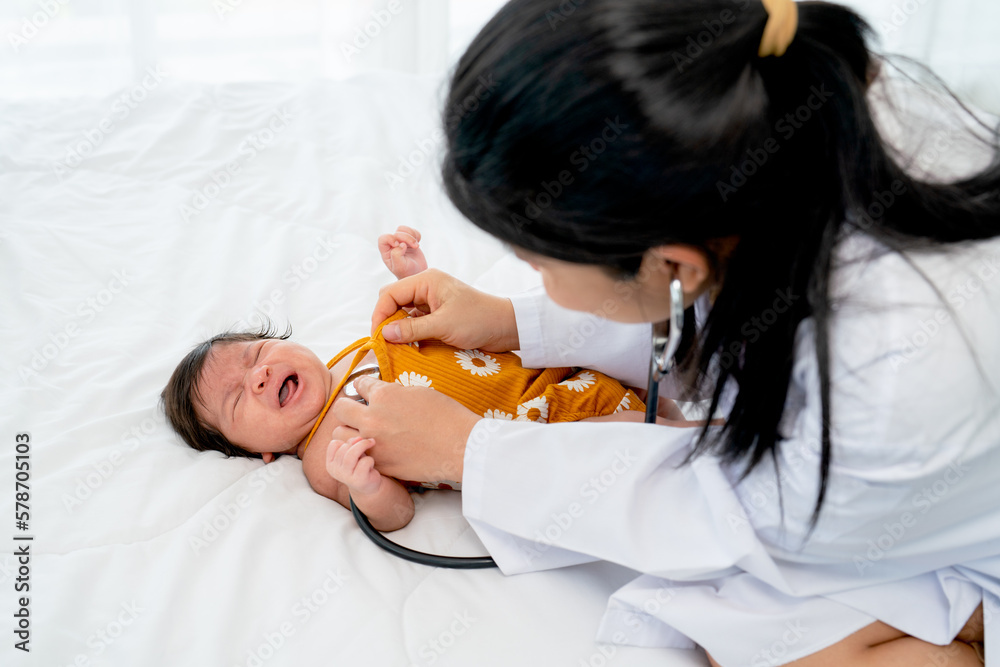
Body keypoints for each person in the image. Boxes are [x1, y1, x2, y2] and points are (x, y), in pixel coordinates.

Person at [327, 0, 1000, 665]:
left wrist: (467, 450)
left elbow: (735, 517)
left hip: (935, 530)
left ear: (675, 262)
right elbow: (724, 321)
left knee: (754, 636)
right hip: (902, 501)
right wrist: (514, 321)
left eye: (538, 263)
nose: (530, 275)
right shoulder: (777, 127)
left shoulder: (898, 361)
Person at [160, 227, 687, 531]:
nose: (260, 375)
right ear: (260, 454)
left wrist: (413, 277)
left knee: (661, 406)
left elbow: (432, 332)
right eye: (237, 399)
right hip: (541, 428)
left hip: (552, 372)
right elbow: (395, 514)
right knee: (657, 445)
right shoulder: (326, 458)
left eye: (257, 353)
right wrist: (364, 486)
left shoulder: (356, 352)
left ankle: (703, 434)